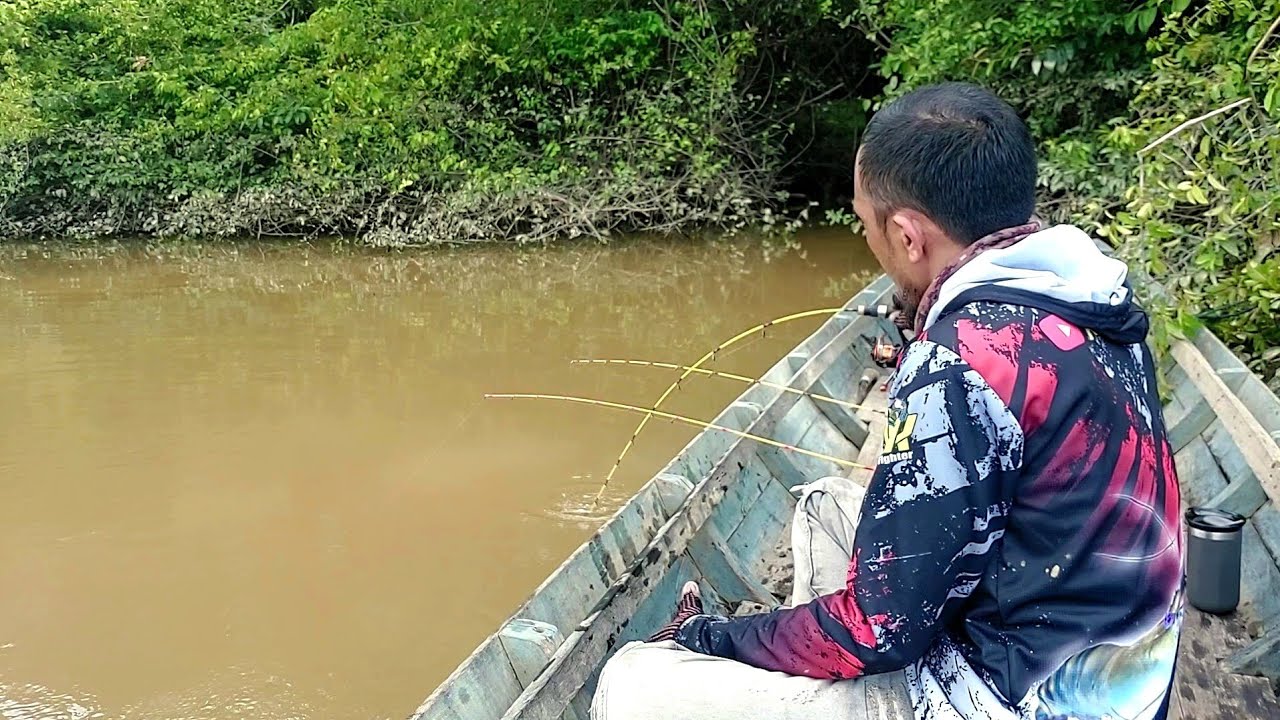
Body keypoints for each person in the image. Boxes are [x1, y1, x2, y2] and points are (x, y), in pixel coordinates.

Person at [590, 82, 1183, 720]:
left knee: (630, 680)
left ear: (906, 235)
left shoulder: (957, 363)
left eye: (865, 223)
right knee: (825, 507)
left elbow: (882, 632)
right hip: (1111, 664)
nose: (869, 241)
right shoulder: (1090, 299)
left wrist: (708, 638)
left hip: (1010, 699)